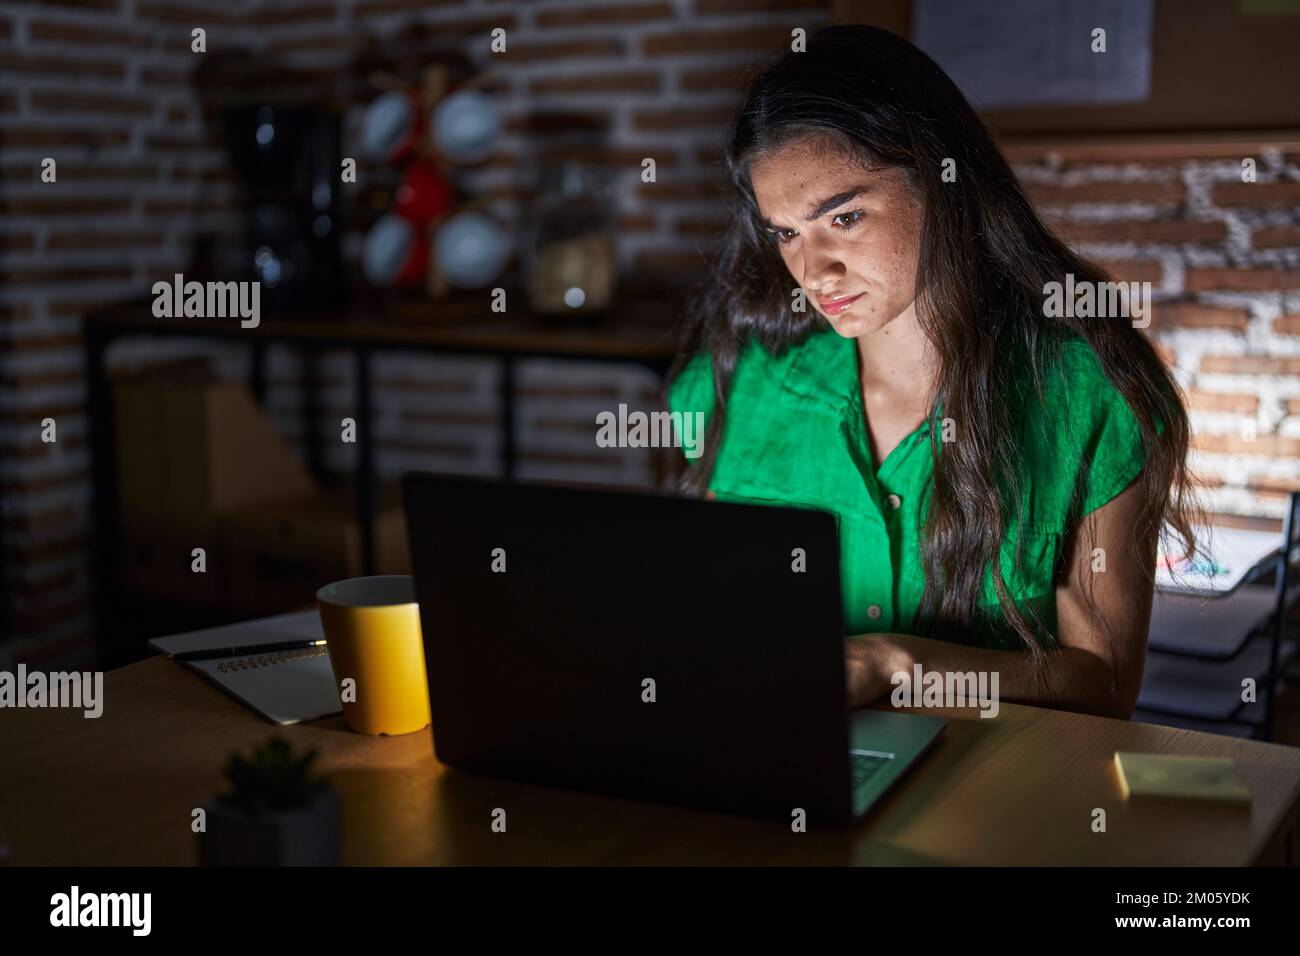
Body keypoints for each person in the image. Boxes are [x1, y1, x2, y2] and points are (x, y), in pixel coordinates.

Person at [664, 25, 1198, 720]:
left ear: (943, 181)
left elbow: (1100, 683)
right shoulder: (739, 384)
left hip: (1001, 799)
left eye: (846, 217)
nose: (813, 269)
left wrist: (898, 664)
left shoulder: (1092, 396)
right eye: (787, 233)